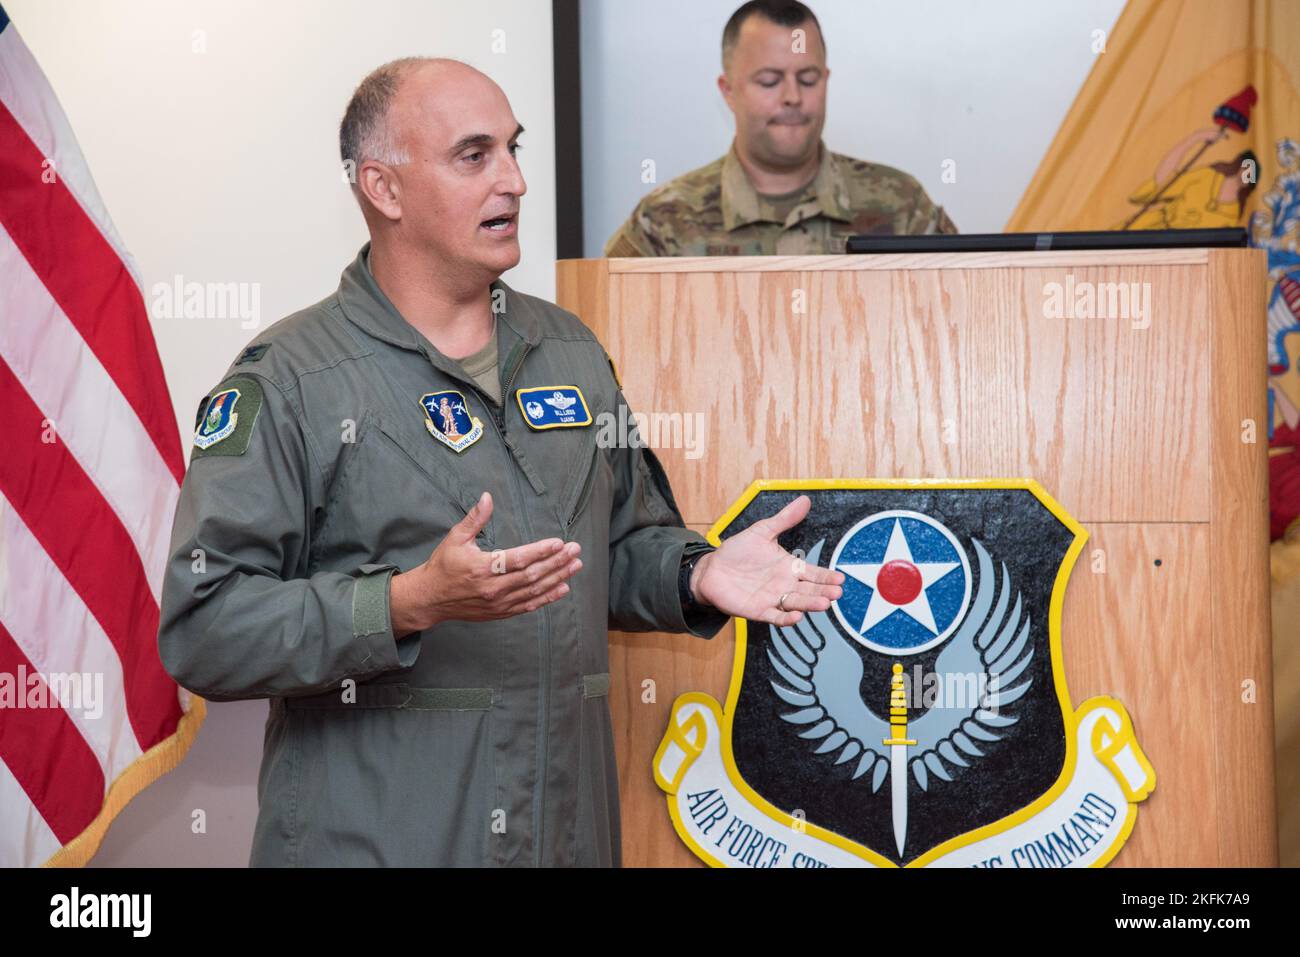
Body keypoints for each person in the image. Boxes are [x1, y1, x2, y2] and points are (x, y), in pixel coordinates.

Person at [157, 56, 844, 867]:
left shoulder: (570, 353)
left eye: (515, 150)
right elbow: (205, 628)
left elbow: (615, 549)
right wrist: (407, 601)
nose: (515, 181)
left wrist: (695, 574)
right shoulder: (292, 381)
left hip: (564, 837)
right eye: (474, 155)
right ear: (383, 187)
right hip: (378, 844)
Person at [604, 0, 956, 257]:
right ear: (728, 91)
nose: (792, 97)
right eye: (770, 81)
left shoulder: (903, 207)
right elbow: (605, 340)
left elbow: (964, 322)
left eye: (808, 78)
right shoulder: (665, 222)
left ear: (826, 80)